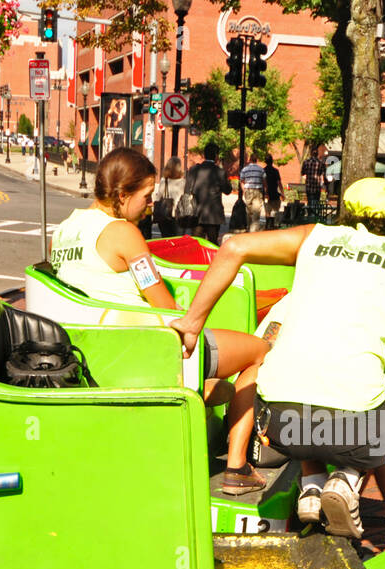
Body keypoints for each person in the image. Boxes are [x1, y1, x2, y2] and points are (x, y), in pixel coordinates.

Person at [170, 177, 385, 538]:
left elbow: (234, 245)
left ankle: (313, 486)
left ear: (346, 212)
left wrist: (193, 321)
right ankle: (347, 479)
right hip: (354, 431)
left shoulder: (314, 238)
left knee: (309, 387)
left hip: (277, 425)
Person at [49, 148, 270, 494]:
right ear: (122, 196)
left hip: (98, 346)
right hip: (151, 343)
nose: (151, 205)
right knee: (259, 350)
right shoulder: (122, 232)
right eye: (147, 197)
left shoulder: (64, 231)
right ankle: (237, 467)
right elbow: (166, 308)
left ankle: (211, 396)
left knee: (221, 385)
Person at [184, 143, 232, 245]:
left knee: (196, 244)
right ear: (216, 156)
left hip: (196, 213)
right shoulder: (219, 172)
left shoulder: (194, 170)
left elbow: (187, 190)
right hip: (213, 215)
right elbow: (227, 190)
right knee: (213, 243)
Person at [152, 156, 186, 238]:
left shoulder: (164, 181)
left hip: (165, 214)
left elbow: (158, 197)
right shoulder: (183, 181)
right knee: (178, 240)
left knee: (166, 238)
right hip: (179, 214)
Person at [239, 152, 267, 232]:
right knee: (256, 211)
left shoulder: (244, 169)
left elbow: (241, 181)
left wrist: (244, 190)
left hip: (248, 191)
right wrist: (265, 190)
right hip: (258, 191)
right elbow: (264, 181)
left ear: (250, 159)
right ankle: (253, 230)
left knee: (249, 211)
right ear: (256, 160)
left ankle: (249, 227)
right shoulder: (261, 169)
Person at [302, 144, 325, 212]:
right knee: (316, 202)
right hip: (317, 186)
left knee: (309, 202)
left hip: (309, 186)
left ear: (311, 153)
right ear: (317, 153)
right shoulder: (321, 163)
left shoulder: (306, 162)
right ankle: (315, 216)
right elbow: (322, 173)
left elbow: (302, 173)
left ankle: (309, 215)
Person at [263, 153, 283, 228]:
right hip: (274, 193)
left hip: (266, 194)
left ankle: (267, 225)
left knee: (267, 210)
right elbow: (279, 183)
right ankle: (273, 224)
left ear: (265, 161)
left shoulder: (263, 171)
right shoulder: (276, 171)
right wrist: (282, 193)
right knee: (275, 210)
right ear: (272, 161)